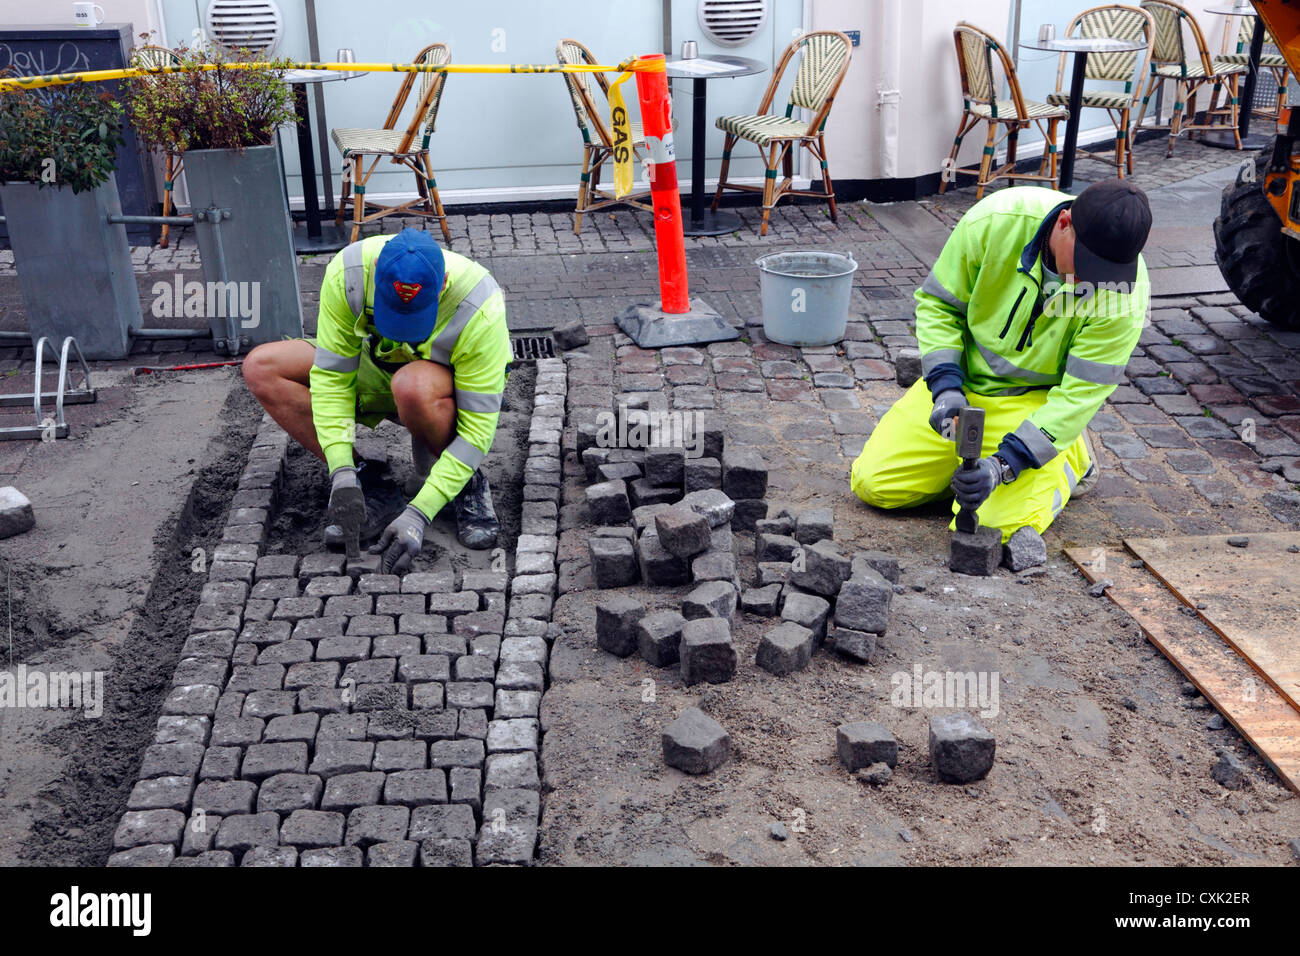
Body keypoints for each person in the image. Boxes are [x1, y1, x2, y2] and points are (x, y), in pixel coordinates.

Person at [851, 179, 1152, 540]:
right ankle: (965, 473)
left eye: (1104, 273)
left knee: (991, 529)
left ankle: (1072, 454)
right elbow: (940, 306)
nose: (1087, 280)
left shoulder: (1123, 296)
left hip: (1036, 404)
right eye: (1086, 263)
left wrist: (1003, 465)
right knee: (874, 485)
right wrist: (946, 389)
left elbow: (1080, 395)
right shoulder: (996, 221)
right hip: (966, 388)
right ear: (1063, 223)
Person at [243, 228, 512, 571]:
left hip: (432, 388)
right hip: (372, 368)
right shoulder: (349, 273)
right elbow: (332, 380)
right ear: (376, 272)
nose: (398, 329)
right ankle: (368, 483)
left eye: (411, 321)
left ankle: (465, 484)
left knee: (411, 386)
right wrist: (341, 470)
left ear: (442, 284)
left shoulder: (480, 305)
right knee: (262, 368)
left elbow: (477, 431)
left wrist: (419, 513)